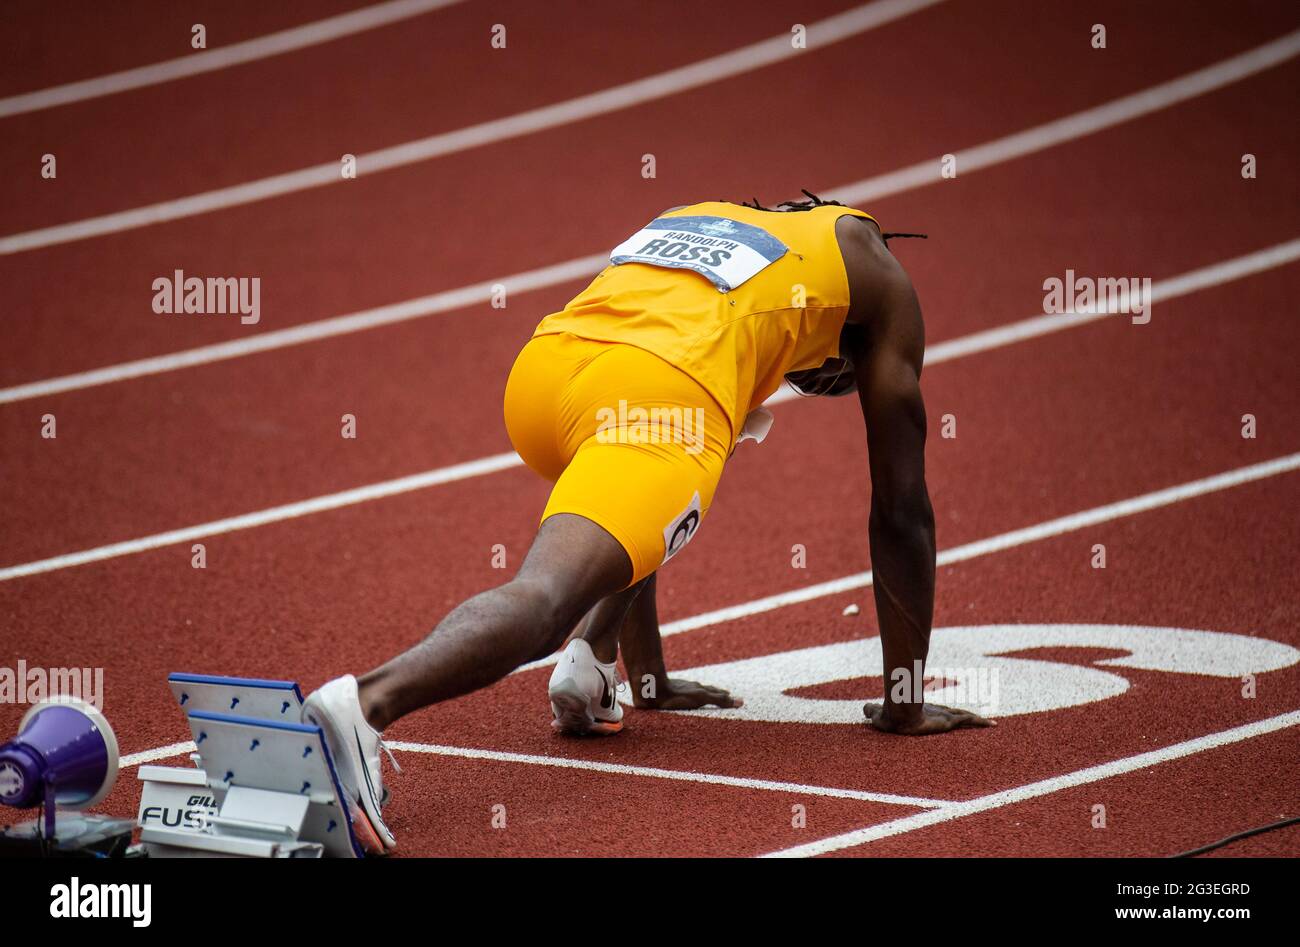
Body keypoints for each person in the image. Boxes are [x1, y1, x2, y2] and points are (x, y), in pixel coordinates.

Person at [303, 192, 992, 853]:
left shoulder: (706, 219)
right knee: (545, 598)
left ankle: (594, 664)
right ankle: (364, 704)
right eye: (833, 376)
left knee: (658, 496)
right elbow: (902, 512)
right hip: (656, 390)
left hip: (544, 377)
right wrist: (905, 703)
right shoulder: (886, 286)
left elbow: (650, 489)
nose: (824, 381)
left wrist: (651, 680)